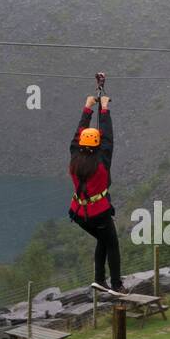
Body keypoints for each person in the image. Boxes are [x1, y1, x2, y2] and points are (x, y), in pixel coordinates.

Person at [68, 86, 124, 293]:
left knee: (103, 238)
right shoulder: (102, 162)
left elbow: (77, 135)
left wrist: (88, 107)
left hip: (78, 213)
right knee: (112, 244)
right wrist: (105, 108)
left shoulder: (74, 157)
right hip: (98, 213)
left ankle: (99, 280)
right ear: (98, 145)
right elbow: (108, 137)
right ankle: (117, 285)